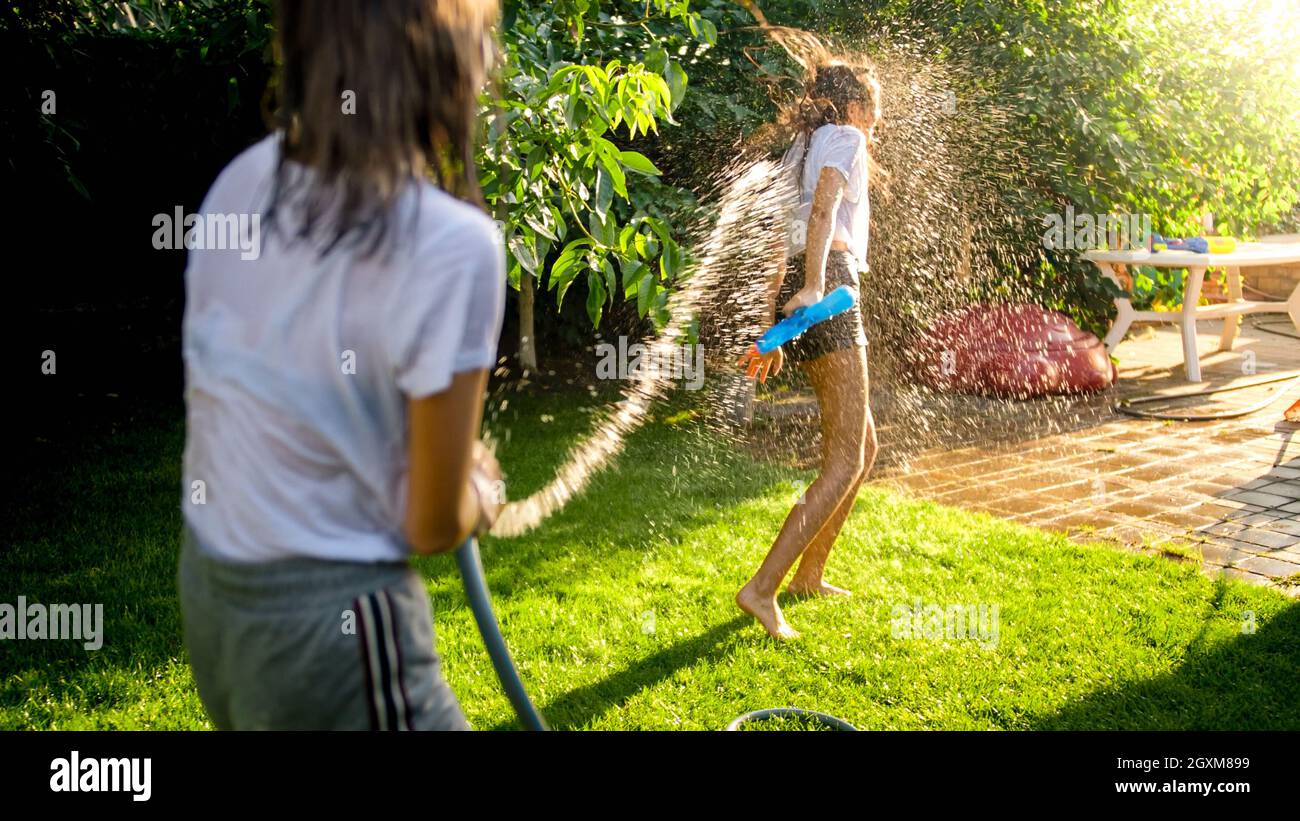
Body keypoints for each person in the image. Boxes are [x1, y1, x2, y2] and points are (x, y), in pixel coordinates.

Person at [177, 0, 504, 729]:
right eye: (484, 35)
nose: (491, 60)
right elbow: (429, 523)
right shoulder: (452, 244)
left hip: (215, 595)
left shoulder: (234, 189)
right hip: (332, 632)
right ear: (439, 55)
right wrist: (478, 492)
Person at [736, 62, 882, 640]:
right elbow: (823, 209)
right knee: (846, 456)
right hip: (830, 285)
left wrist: (775, 317)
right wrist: (817, 285)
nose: (875, 121)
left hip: (806, 283)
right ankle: (762, 589)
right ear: (853, 108)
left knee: (864, 446)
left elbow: (781, 236)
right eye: (871, 107)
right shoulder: (846, 138)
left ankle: (809, 574)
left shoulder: (802, 144)